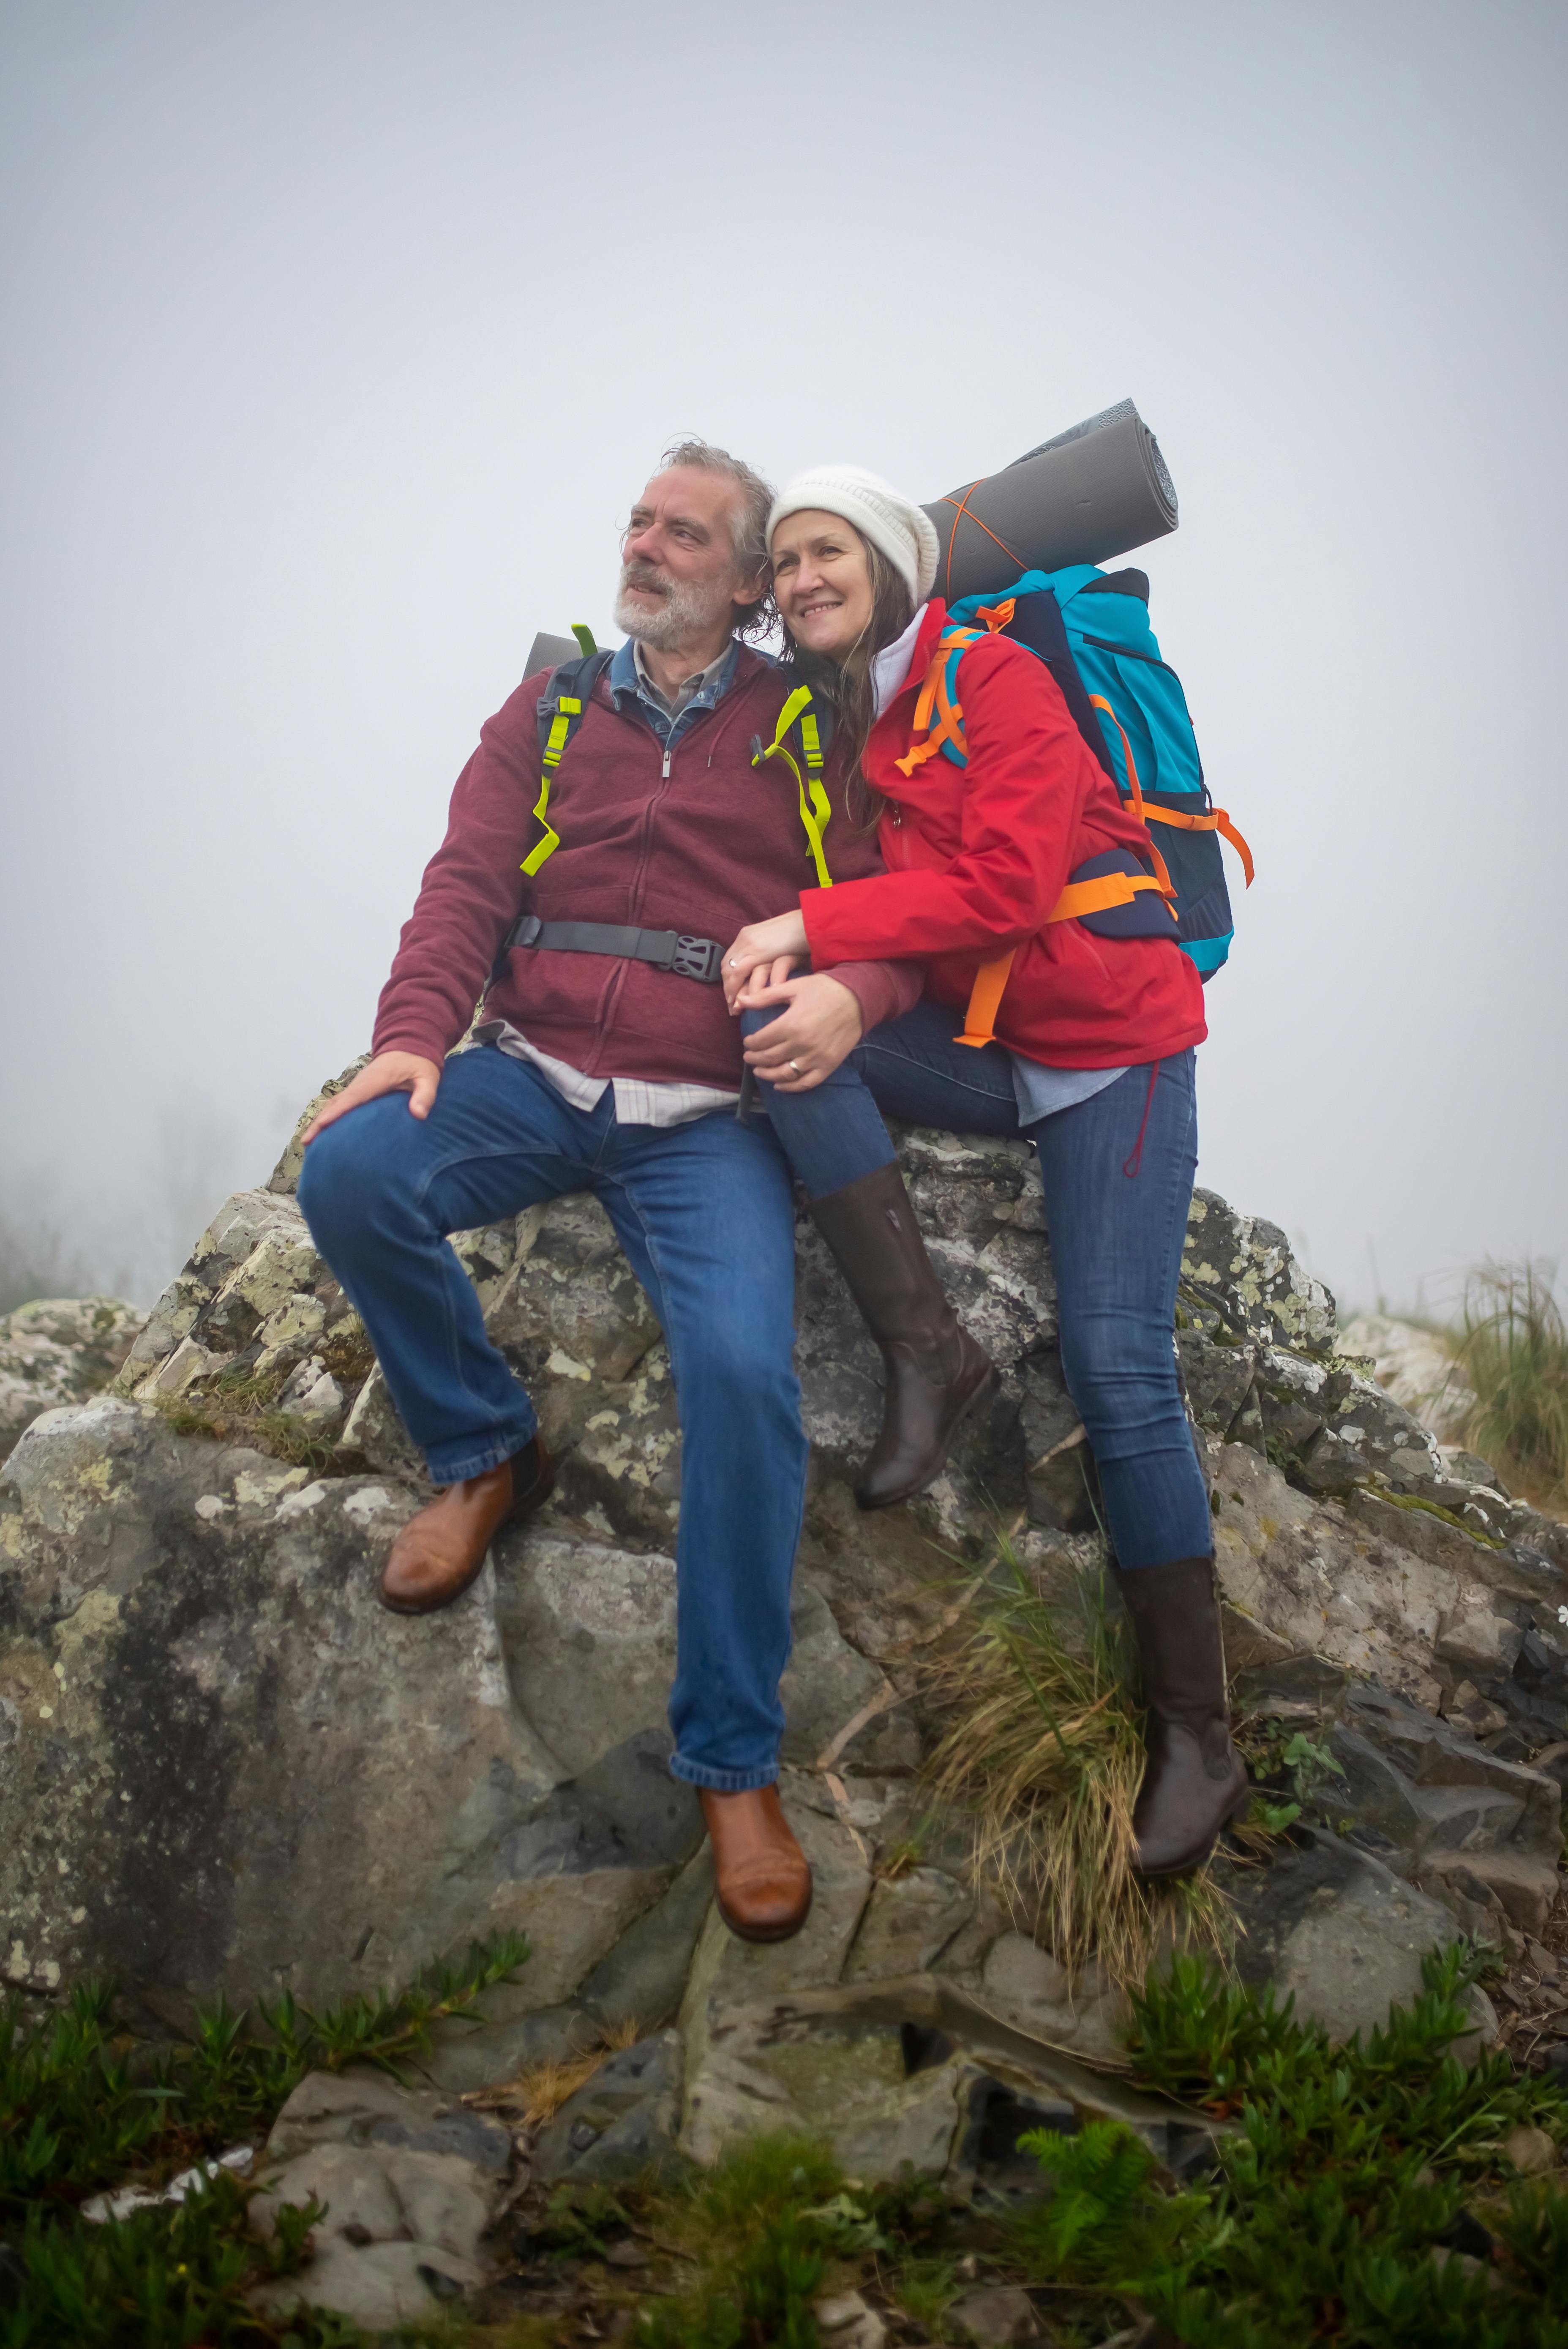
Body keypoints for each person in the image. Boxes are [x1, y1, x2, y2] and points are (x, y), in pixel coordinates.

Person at [295, 440, 924, 1946]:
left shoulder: (807, 722)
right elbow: (464, 884)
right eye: (640, 521)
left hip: (707, 1117)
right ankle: (480, 1449)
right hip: (528, 1072)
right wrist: (410, 1039)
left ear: (749, 576)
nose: (647, 546)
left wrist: (861, 992)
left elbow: (899, 905)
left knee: (739, 1378)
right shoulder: (555, 702)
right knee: (351, 1171)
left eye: (686, 532)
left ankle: (730, 1761)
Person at [720, 465, 1247, 1879]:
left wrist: (819, 928)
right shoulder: (854, 721)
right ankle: (930, 1356)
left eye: (824, 551)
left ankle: (1199, 1734)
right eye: (780, 565)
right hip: (990, 1036)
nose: (799, 579)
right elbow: (923, 925)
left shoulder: (990, 677)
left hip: (1115, 1050)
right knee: (776, 1036)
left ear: (889, 566)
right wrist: (838, 985)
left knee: (1118, 1362)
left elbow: (1007, 889)